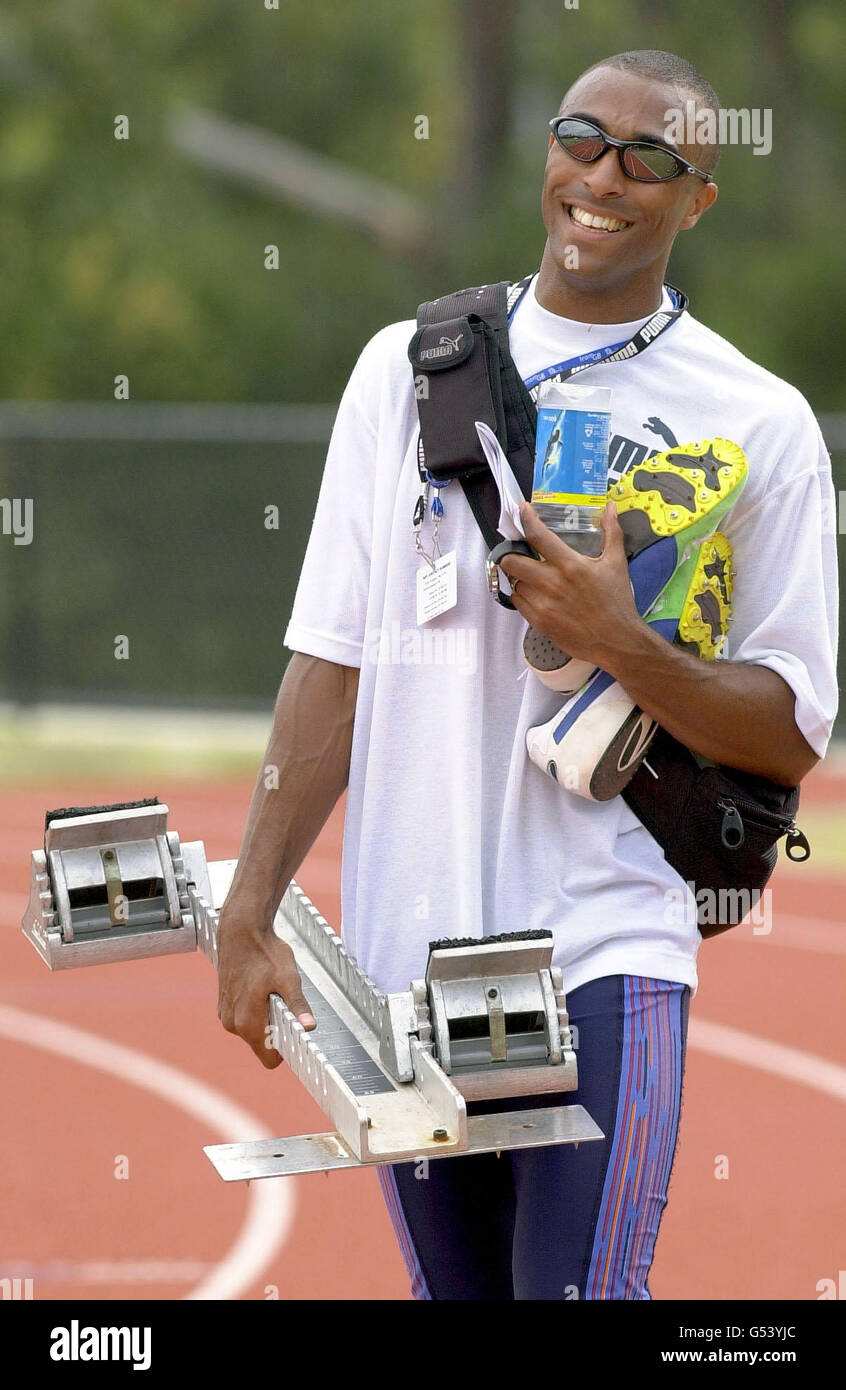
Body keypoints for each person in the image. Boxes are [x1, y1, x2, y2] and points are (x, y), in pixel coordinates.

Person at [216, 49, 839, 1299]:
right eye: (583, 139)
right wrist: (251, 901)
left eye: (651, 157)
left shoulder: (758, 421)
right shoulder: (402, 370)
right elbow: (329, 668)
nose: (607, 176)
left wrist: (622, 638)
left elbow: (788, 732)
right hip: (412, 950)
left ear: (696, 196)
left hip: (608, 941)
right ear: (548, 154)